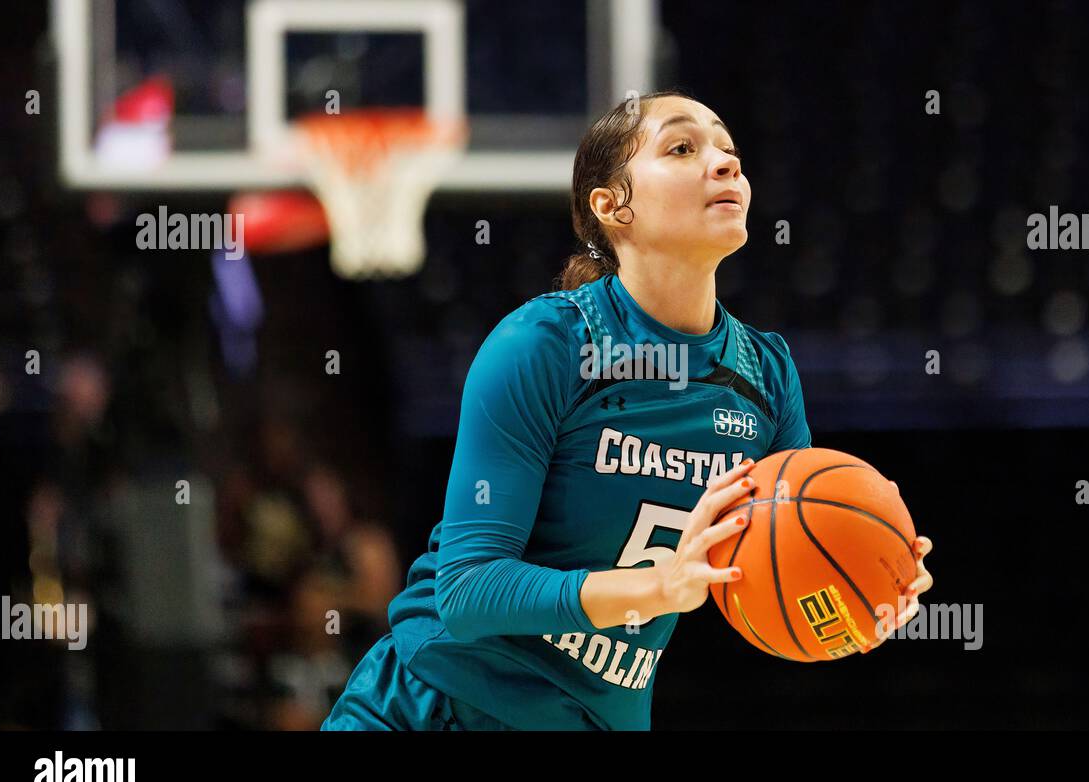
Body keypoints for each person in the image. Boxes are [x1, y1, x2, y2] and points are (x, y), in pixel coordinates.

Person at [322, 91, 934, 731]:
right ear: (613, 206)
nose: (725, 164)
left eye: (730, 151)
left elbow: (785, 557)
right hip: (439, 704)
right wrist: (660, 587)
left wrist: (866, 585)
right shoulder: (546, 344)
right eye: (682, 148)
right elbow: (468, 592)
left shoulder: (767, 375)